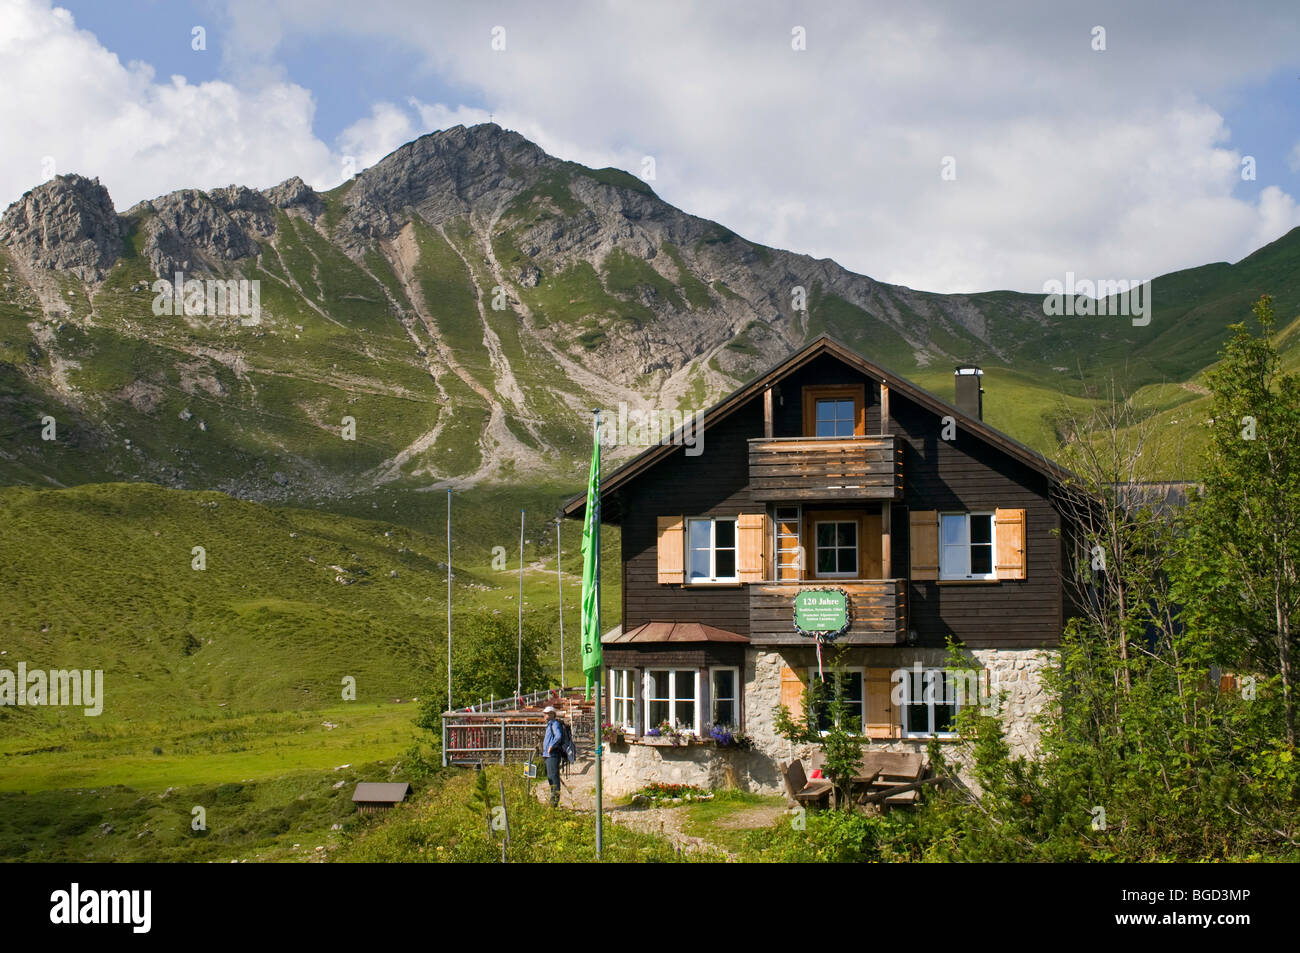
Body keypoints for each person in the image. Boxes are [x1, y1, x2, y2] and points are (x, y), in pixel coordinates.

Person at [541, 706, 564, 807]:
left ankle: (554, 801)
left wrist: (551, 746)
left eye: (547, 713)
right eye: (545, 713)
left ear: (552, 714)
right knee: (550, 777)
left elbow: (558, 736)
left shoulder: (555, 724)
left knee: (553, 777)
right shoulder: (550, 724)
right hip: (548, 754)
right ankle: (553, 799)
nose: (545, 715)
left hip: (553, 754)